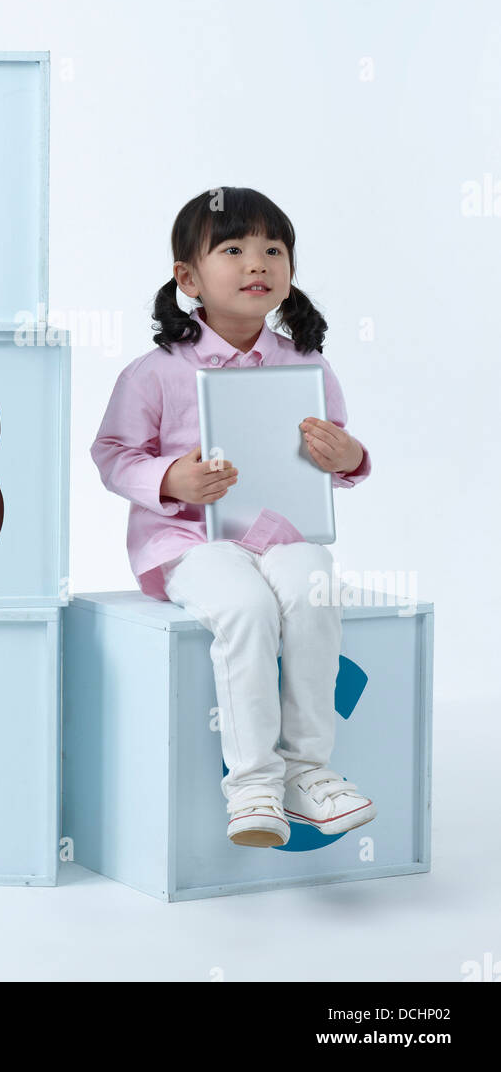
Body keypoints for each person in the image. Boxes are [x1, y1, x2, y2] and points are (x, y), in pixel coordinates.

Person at [89, 186, 377, 849]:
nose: (257, 262)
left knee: (314, 585)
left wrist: (349, 454)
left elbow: (336, 455)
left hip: (280, 535)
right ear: (187, 277)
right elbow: (111, 454)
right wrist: (169, 477)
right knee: (245, 607)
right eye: (234, 248)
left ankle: (308, 771)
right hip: (184, 540)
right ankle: (253, 786)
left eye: (273, 249)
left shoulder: (307, 365)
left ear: (290, 272)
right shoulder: (154, 372)